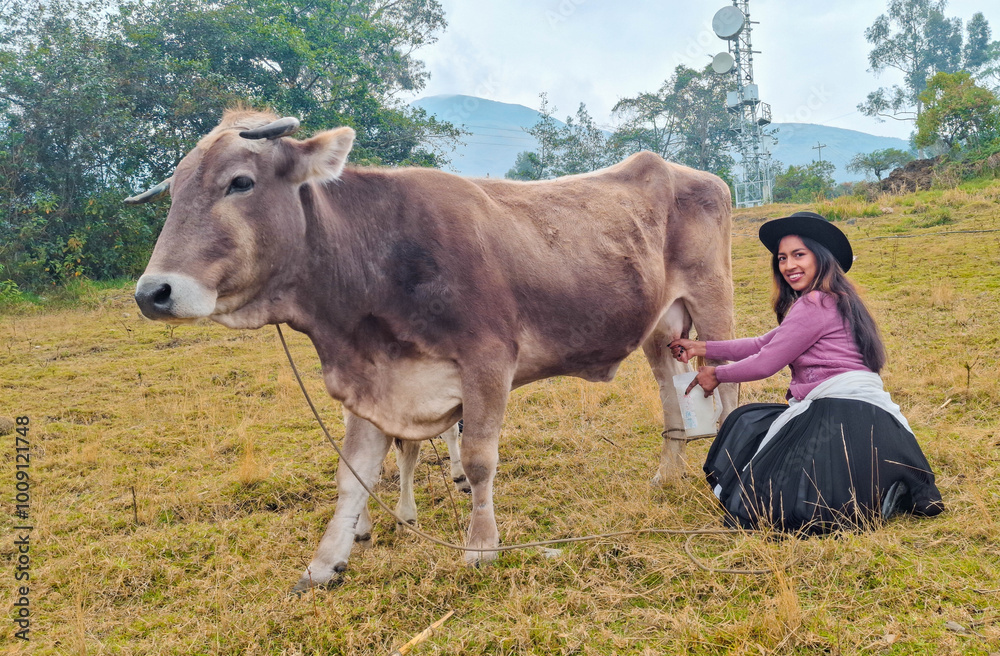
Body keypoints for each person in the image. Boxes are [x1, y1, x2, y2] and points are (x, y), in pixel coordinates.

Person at [669, 211, 943, 533]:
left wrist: (716, 375)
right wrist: (703, 349)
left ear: (821, 257)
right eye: (782, 258)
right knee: (751, 422)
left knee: (760, 467)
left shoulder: (814, 303)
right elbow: (762, 344)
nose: (788, 266)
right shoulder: (835, 300)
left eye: (799, 255)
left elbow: (765, 362)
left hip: (838, 410)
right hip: (872, 417)